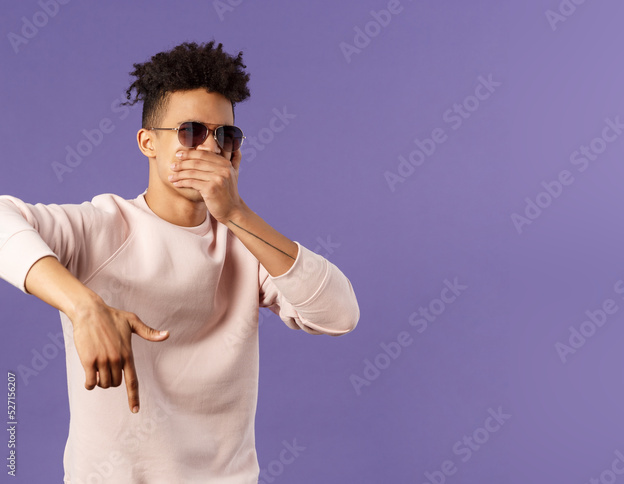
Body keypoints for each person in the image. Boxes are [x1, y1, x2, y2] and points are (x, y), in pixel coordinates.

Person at [0, 40, 360, 482]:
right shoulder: (103, 226)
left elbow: (340, 315)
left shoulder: (244, 244)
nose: (210, 148)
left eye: (225, 136)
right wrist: (84, 307)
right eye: (191, 132)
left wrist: (235, 214)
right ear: (147, 143)